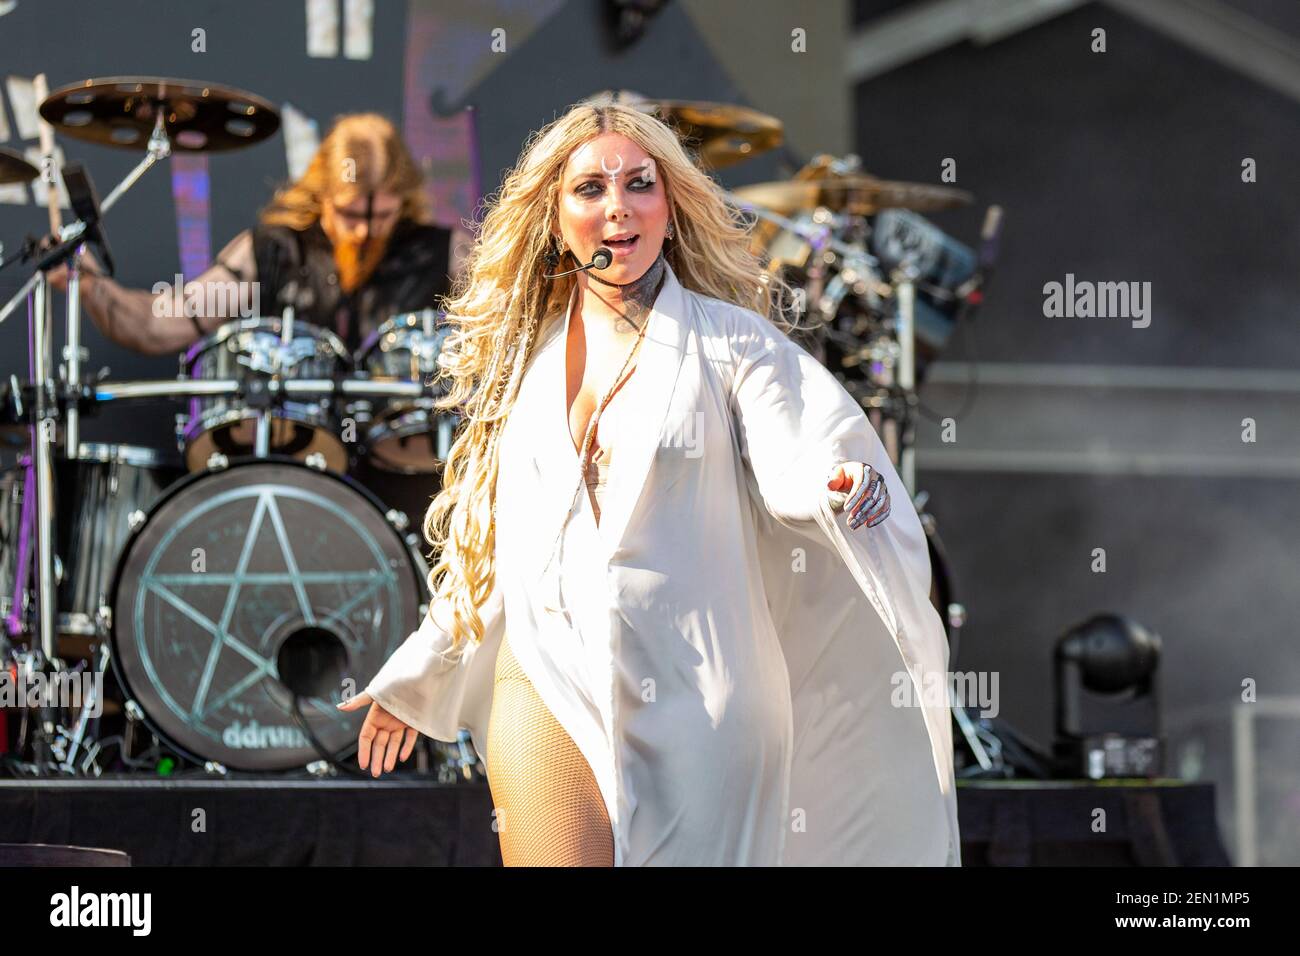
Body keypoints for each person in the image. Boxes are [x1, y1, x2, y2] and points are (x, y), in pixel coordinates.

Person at [337, 102, 960, 867]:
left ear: (670, 207)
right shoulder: (524, 364)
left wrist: (835, 484)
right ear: (554, 216)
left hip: (698, 691)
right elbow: (504, 550)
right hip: (546, 670)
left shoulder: (731, 342)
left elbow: (795, 450)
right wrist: (422, 664)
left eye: (639, 184)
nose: (617, 207)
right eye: (590, 188)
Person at [49, 112, 471, 356]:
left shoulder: (446, 252)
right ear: (321, 192)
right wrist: (90, 285)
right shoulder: (272, 250)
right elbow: (159, 326)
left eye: (381, 216)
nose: (362, 231)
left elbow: (508, 341)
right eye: (347, 214)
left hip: (413, 469)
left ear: (405, 198)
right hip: (293, 463)